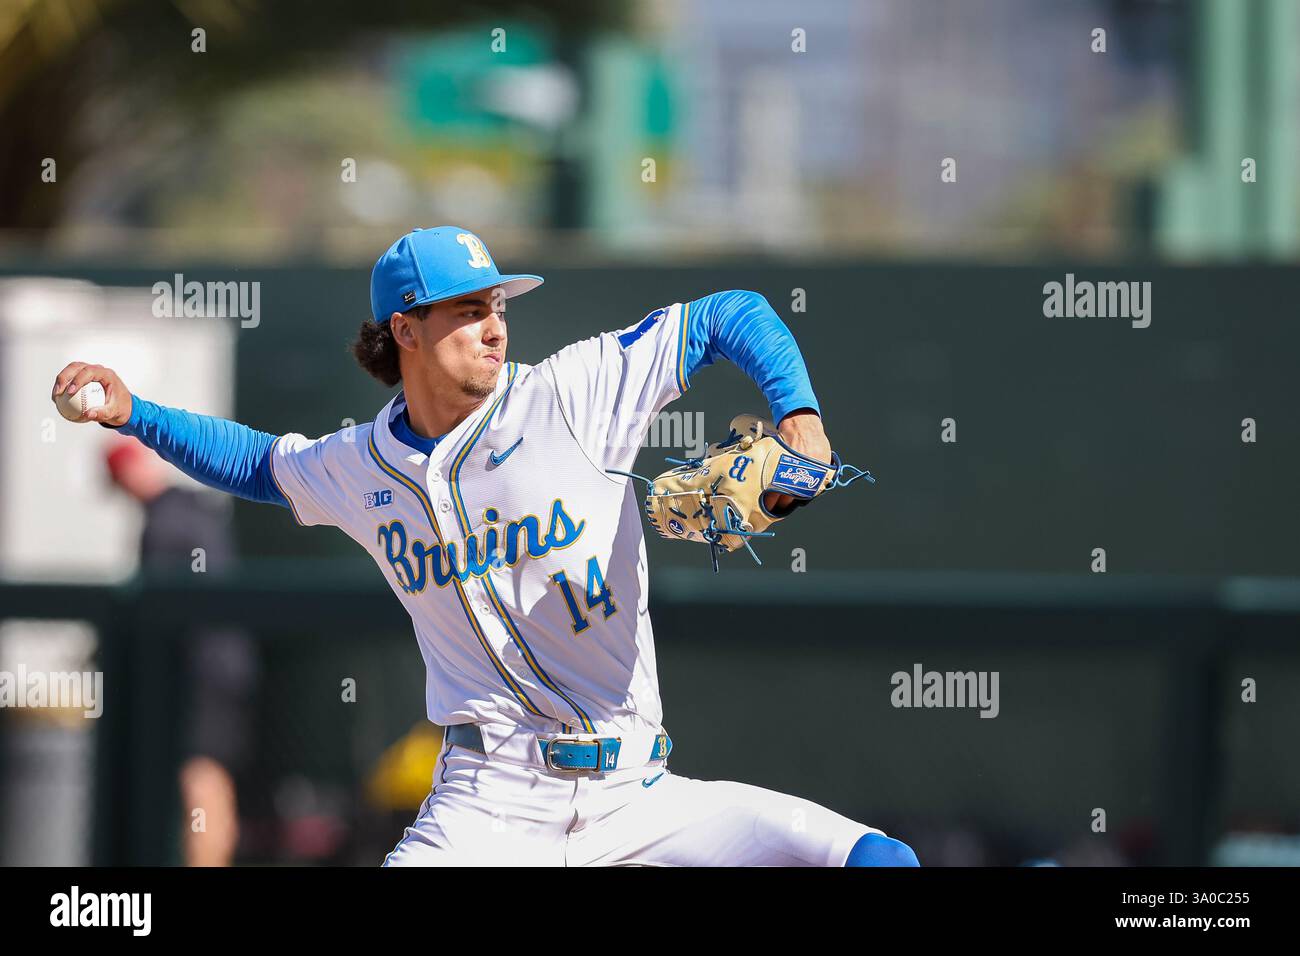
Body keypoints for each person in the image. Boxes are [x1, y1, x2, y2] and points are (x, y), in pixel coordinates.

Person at [52, 226, 918, 867]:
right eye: (469, 311)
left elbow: (731, 313)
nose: (496, 326)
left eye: (498, 305)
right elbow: (256, 463)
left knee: (877, 861)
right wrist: (135, 412)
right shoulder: (363, 464)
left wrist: (797, 416)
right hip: (488, 802)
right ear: (407, 330)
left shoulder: (572, 394)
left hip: (640, 791)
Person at [104, 437, 257, 867]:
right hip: (225, 666)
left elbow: (163, 613)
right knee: (210, 776)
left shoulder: (166, 522)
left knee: (200, 775)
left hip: (200, 672)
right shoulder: (196, 507)